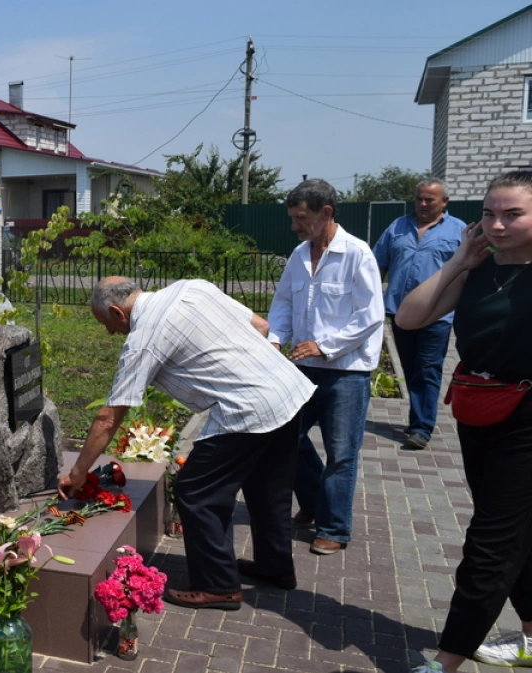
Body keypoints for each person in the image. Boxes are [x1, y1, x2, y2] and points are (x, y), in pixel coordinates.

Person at [58, 277, 315, 610]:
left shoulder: (143, 339)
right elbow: (261, 326)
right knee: (269, 489)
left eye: (106, 324)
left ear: (116, 311)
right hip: (286, 389)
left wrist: (78, 473)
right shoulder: (190, 288)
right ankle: (275, 567)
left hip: (248, 409)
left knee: (197, 492)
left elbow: (108, 419)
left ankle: (218, 586)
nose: (109, 333)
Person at [398, 171, 532, 673]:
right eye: (490, 213)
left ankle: (446, 660)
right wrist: (457, 261)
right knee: (519, 533)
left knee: (490, 540)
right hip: (480, 410)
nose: (497, 225)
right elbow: (409, 319)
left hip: (527, 418)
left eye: (513, 213)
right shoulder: (478, 270)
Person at [266, 178, 384, 556]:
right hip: (303, 369)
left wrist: (325, 345)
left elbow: (370, 316)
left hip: (346, 371)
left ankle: (334, 528)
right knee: (288, 439)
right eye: (293, 218)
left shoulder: (357, 254)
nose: (296, 225)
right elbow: (283, 304)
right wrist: (272, 341)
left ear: (326, 212)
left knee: (341, 452)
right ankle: (316, 502)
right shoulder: (300, 255)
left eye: (302, 217)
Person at [373, 179, 467, 449]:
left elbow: (467, 271)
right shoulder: (397, 227)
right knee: (410, 367)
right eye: (419, 199)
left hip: (437, 314)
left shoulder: (458, 230)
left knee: (427, 369)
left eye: (430, 200)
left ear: (444, 202)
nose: (423, 204)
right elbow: (378, 265)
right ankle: (418, 418)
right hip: (400, 312)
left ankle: (422, 427)